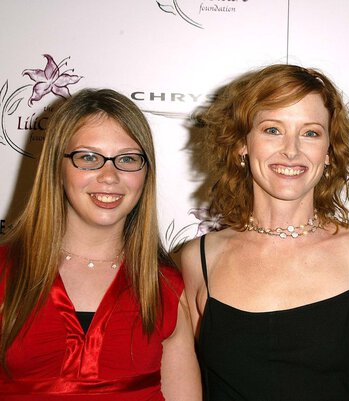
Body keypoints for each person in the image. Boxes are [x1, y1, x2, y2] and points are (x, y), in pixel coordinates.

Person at [180, 64, 349, 400]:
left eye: (310, 133)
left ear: (329, 152)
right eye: (272, 130)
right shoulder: (198, 259)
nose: (291, 150)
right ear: (241, 144)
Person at [0, 88, 201, 400]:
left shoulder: (167, 287)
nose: (110, 176)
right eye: (89, 157)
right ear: (56, 167)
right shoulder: (4, 270)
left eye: (128, 159)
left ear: (146, 173)